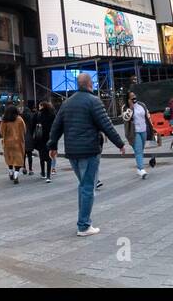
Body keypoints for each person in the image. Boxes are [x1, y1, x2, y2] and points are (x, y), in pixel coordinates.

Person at [47, 72, 125, 237]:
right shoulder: (93, 101)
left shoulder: (67, 103)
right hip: (89, 151)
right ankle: (83, 226)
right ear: (90, 84)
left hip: (72, 152)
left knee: (83, 186)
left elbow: (56, 126)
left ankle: (83, 222)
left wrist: (52, 145)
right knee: (88, 187)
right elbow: (106, 124)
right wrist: (120, 143)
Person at [123, 91, 156, 179]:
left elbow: (148, 116)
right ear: (128, 99)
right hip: (134, 132)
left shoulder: (142, 105)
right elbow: (126, 118)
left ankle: (139, 168)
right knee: (138, 150)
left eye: (134, 95)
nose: (133, 97)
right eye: (131, 97)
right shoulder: (125, 107)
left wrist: (152, 127)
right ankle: (141, 169)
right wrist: (131, 107)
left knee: (140, 150)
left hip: (143, 130)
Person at [0, 104, 27, 184]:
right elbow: (24, 130)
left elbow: (1, 132)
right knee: (18, 160)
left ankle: (11, 171)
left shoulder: (4, 120)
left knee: (9, 158)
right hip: (18, 143)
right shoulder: (19, 119)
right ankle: (16, 175)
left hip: (7, 143)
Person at [34, 101, 55, 181]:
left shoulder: (38, 114)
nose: (39, 107)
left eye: (39, 106)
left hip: (40, 138)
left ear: (42, 106)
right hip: (49, 138)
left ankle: (43, 173)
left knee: (41, 156)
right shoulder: (52, 114)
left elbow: (33, 125)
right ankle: (48, 176)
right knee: (49, 157)